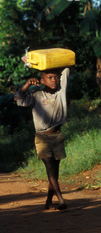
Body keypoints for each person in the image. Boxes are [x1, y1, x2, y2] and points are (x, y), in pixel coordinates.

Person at [15, 68, 70, 210]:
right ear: (42, 81)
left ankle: (48, 201)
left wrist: (51, 62)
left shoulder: (60, 90)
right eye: (50, 77)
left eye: (56, 77)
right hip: (42, 138)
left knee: (55, 172)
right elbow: (19, 99)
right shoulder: (36, 94)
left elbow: (66, 69)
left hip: (57, 136)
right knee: (50, 169)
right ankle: (61, 199)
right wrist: (27, 84)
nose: (54, 80)